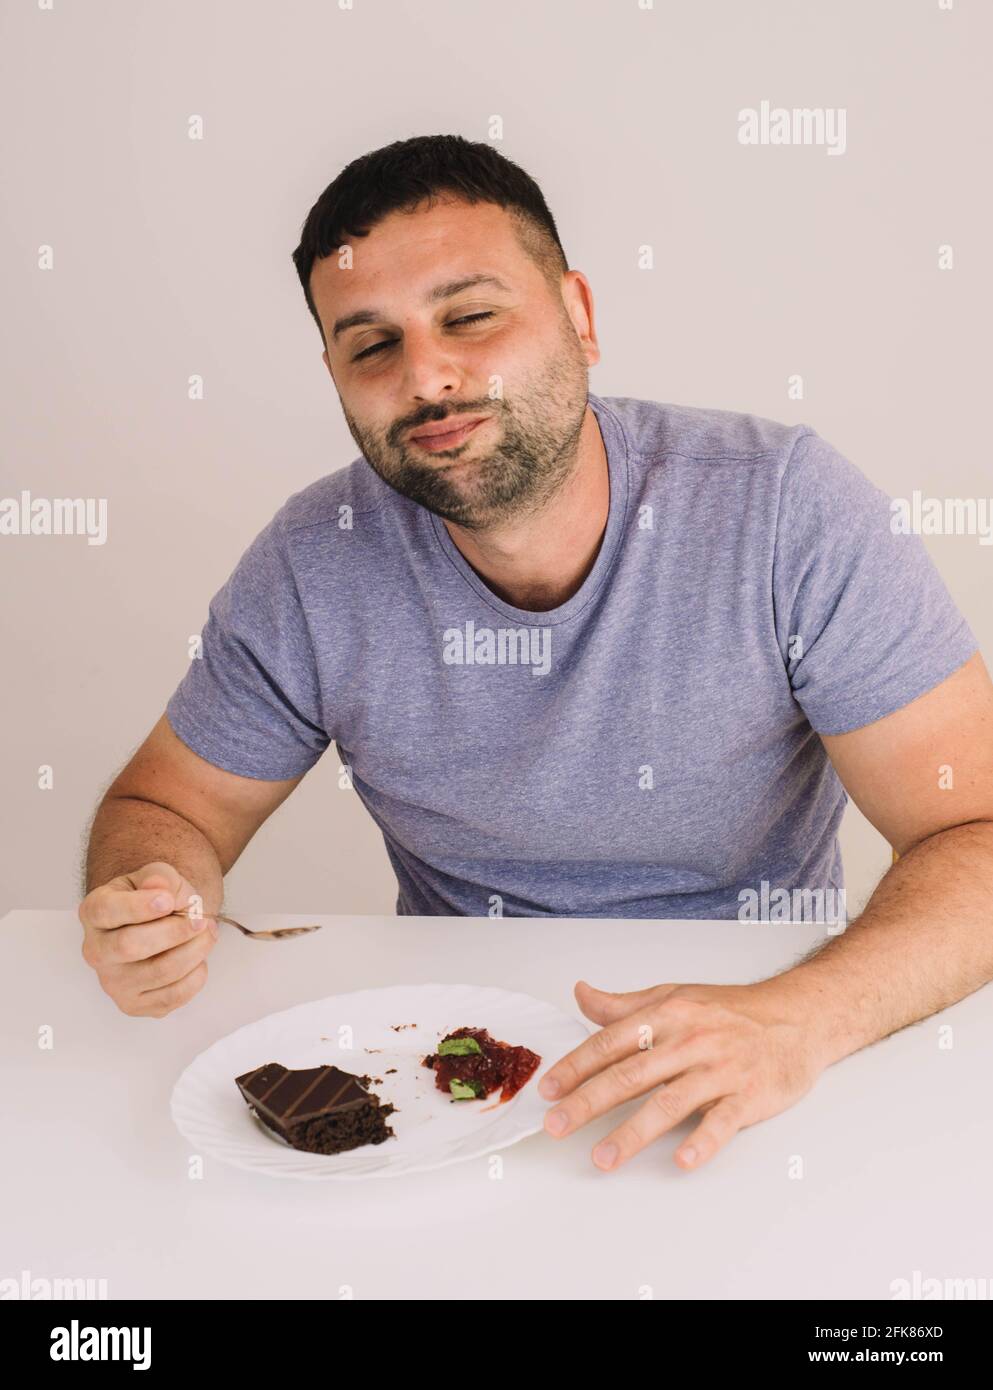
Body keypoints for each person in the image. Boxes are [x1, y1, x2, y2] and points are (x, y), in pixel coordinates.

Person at [79, 134, 993, 1173]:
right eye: (370, 345)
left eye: (470, 316)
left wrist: (802, 1019)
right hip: (453, 1082)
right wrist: (154, 897)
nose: (427, 376)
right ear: (334, 374)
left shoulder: (787, 508)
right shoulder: (312, 561)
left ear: (580, 316)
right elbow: (168, 809)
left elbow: (978, 828)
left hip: (768, 1045)